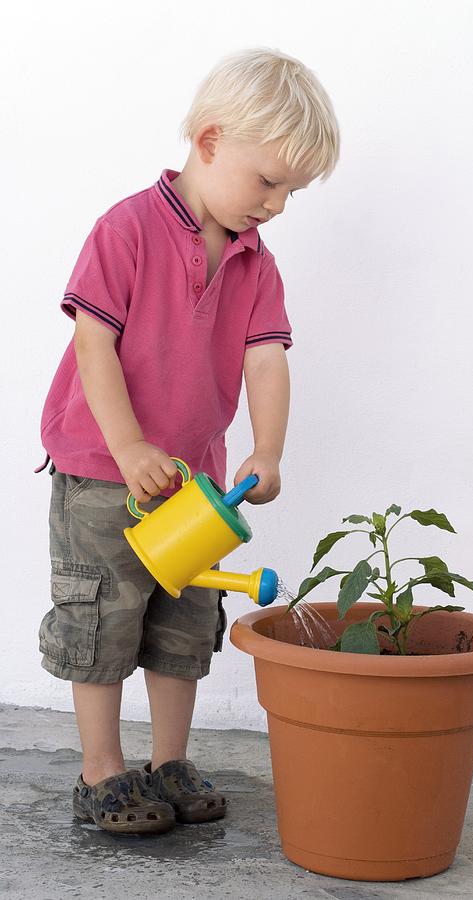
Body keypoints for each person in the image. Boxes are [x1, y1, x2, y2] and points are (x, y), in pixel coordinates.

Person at [34, 46, 340, 835]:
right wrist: (131, 446)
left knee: (181, 621)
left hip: (194, 485)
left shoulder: (254, 262)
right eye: (267, 181)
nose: (274, 205)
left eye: (290, 192)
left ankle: (167, 760)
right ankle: (100, 769)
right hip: (105, 473)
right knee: (102, 620)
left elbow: (265, 360)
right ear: (209, 141)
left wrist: (265, 450)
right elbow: (94, 346)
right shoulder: (127, 228)